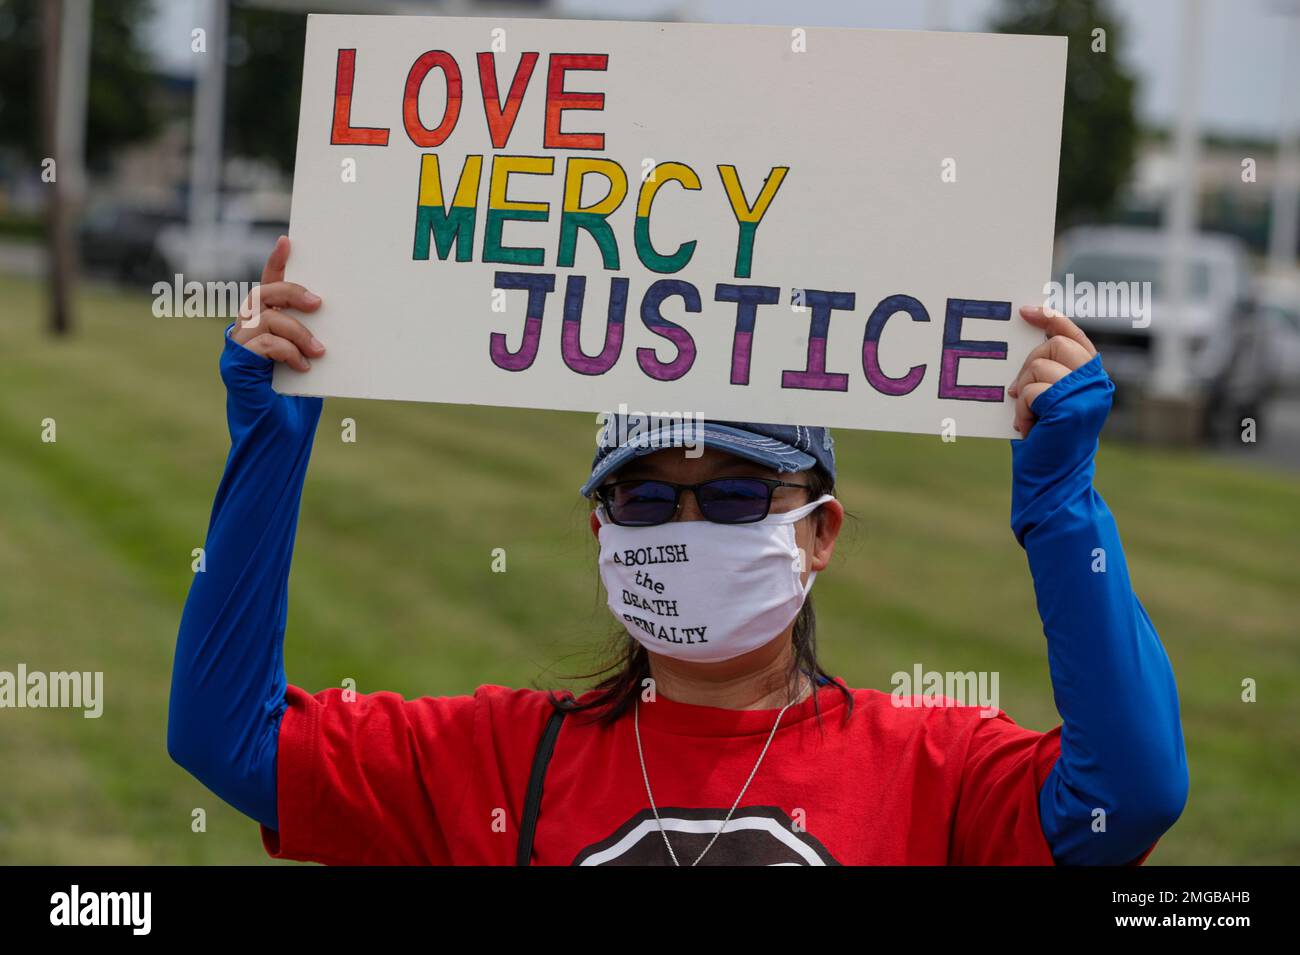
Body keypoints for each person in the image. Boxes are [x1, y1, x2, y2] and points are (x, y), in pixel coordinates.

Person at [168, 237, 1187, 865]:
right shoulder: (503, 759)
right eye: (648, 499)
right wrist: (273, 441)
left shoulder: (932, 771)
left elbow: (1129, 794)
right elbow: (228, 740)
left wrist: (1061, 504)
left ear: (819, 529)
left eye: (738, 496)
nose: (689, 525)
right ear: (600, 530)